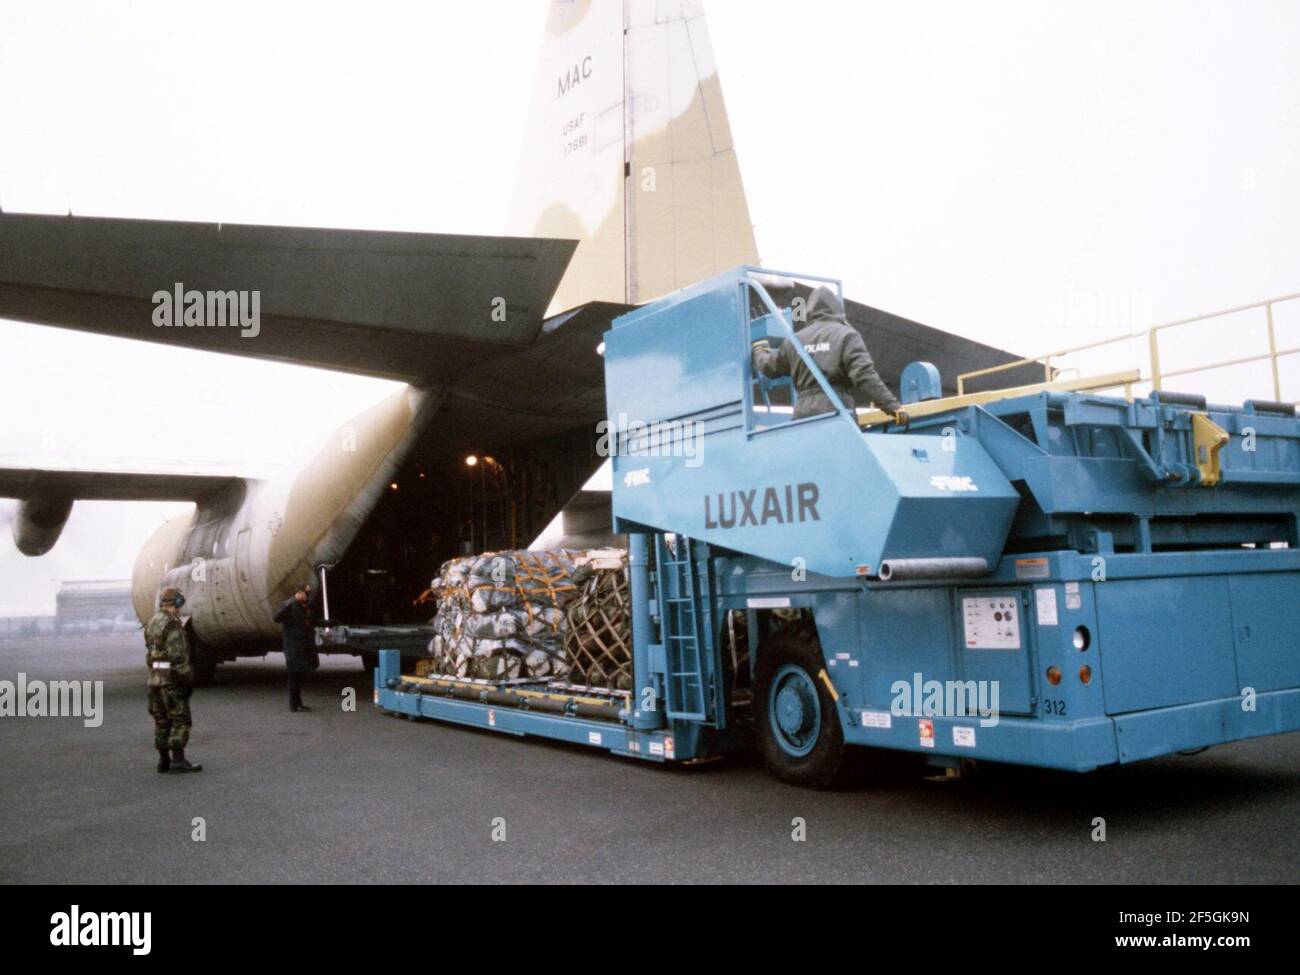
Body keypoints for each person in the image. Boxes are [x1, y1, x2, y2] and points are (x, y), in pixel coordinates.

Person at [753, 284, 902, 420]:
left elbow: (770, 367)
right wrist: (891, 406)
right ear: (837, 309)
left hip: (802, 415)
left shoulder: (795, 340)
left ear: (809, 310)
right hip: (836, 410)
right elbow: (864, 376)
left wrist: (760, 350)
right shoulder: (847, 335)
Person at [145, 586, 202, 773]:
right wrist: (187, 680)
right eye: (180, 603)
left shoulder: (152, 622)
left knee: (161, 720)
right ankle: (178, 760)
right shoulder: (172, 624)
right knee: (180, 719)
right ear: (175, 603)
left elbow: (150, 653)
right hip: (171, 681)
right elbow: (177, 657)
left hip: (155, 681)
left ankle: (163, 761)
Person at [274, 582, 319, 712]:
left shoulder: (306, 607)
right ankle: (294, 704)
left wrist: (328, 623)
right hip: (293, 647)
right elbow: (276, 617)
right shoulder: (291, 605)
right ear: (299, 592)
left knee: (300, 676)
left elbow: (312, 621)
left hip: (304, 646)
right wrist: (292, 601)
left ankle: (298, 702)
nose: (309, 595)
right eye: (307, 592)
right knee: (294, 676)